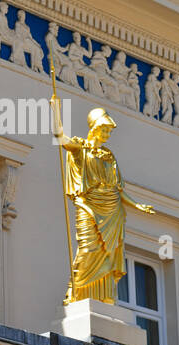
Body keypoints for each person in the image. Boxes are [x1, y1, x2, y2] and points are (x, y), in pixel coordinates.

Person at [53, 106, 154, 304]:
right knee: (89, 248)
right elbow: (60, 138)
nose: (107, 134)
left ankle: (106, 296)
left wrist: (137, 205)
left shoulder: (109, 156)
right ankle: (75, 291)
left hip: (112, 209)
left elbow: (118, 190)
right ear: (94, 127)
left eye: (109, 130)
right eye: (105, 129)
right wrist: (55, 111)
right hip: (88, 205)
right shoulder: (80, 148)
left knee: (107, 254)